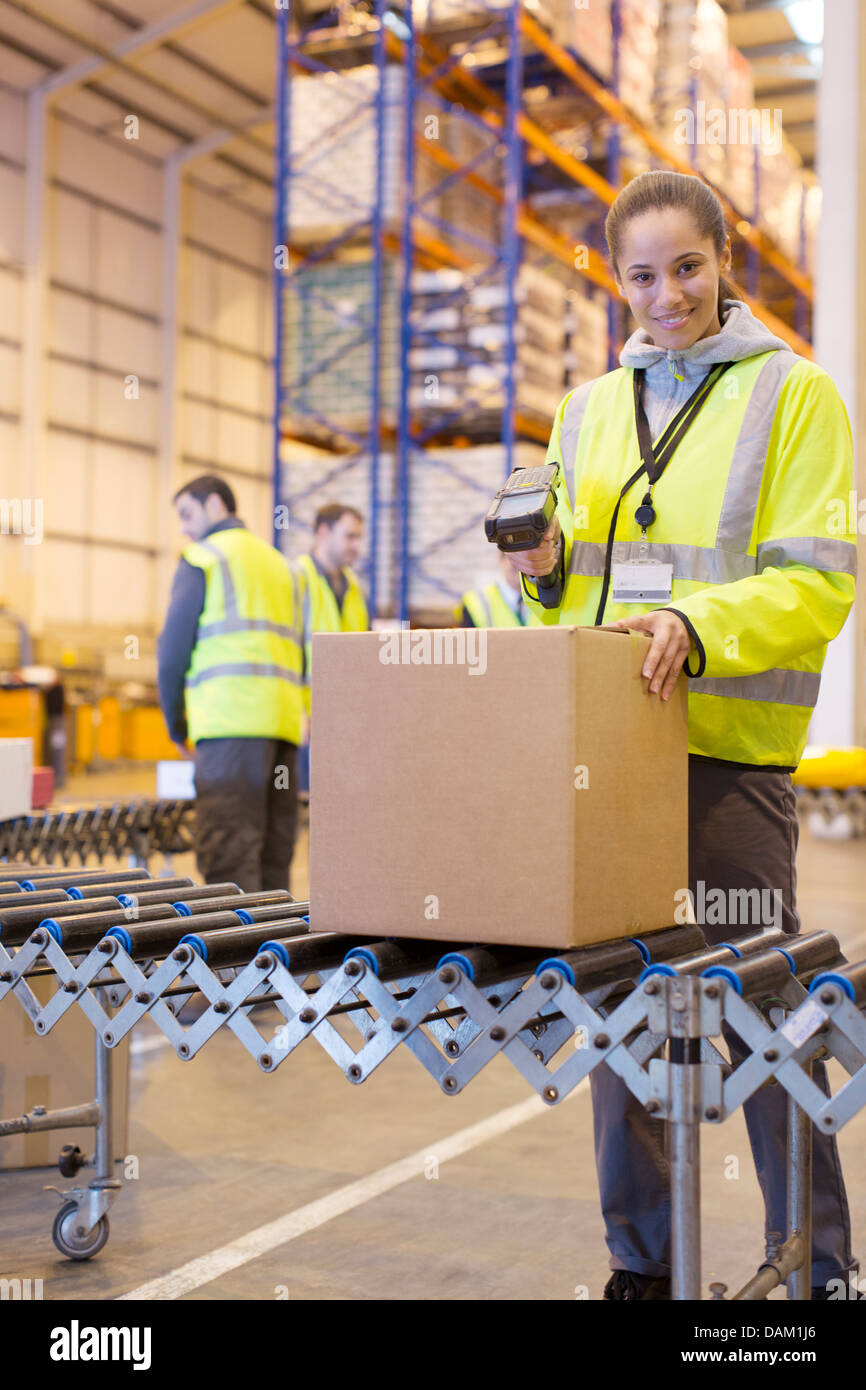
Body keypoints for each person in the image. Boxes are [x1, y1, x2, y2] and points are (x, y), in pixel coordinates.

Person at [511, 170, 858, 1301]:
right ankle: (640, 1266)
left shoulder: (795, 397)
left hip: (726, 768)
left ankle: (812, 1264)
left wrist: (689, 623)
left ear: (724, 261)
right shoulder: (584, 410)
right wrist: (542, 572)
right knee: (620, 1019)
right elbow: (562, 612)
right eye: (641, 275)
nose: (665, 296)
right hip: (612, 762)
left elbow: (816, 587)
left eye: (687, 268)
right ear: (617, 280)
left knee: (763, 1017)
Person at [157, 475, 303, 893]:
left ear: (216, 505)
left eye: (187, 513)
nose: (183, 527)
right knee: (273, 853)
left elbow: (171, 655)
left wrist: (176, 726)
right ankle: (277, 956)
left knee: (228, 857)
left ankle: (236, 959)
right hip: (283, 732)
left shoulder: (203, 558)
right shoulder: (283, 566)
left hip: (229, 729)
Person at [292, 504, 369, 789]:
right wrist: (298, 712)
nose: (356, 546)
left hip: (344, 716)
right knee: (306, 805)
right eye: (349, 537)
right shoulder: (296, 578)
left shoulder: (354, 586)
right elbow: (287, 651)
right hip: (306, 718)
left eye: (359, 537)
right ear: (323, 533)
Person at [456, 549, 542, 628]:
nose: (521, 564)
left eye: (527, 558)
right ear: (500, 559)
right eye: (515, 557)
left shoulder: (547, 597)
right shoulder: (476, 602)